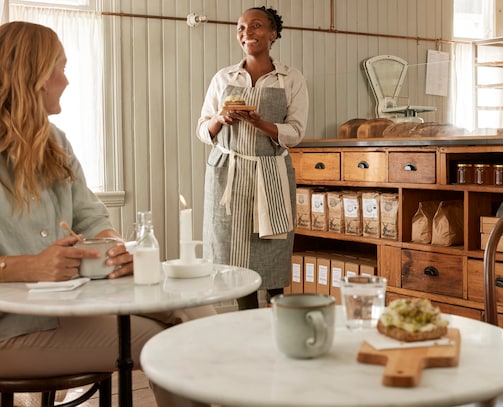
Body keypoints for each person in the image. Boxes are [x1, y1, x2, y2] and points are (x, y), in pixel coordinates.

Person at [0, 21, 215, 379]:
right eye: (61, 68)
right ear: (33, 75)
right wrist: (30, 267)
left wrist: (116, 251)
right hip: (11, 330)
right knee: (175, 344)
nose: (66, 80)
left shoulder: (57, 142)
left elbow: (92, 219)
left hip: (69, 310)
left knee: (198, 312)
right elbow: (35, 266)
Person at [197, 6, 309, 310]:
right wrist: (221, 118)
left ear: (273, 34)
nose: (247, 33)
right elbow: (202, 130)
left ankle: (278, 318)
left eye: (256, 26)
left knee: (272, 249)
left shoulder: (289, 78)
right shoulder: (224, 78)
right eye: (241, 28)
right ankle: (245, 316)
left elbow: (296, 133)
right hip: (227, 173)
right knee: (233, 253)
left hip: (270, 172)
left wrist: (259, 123)